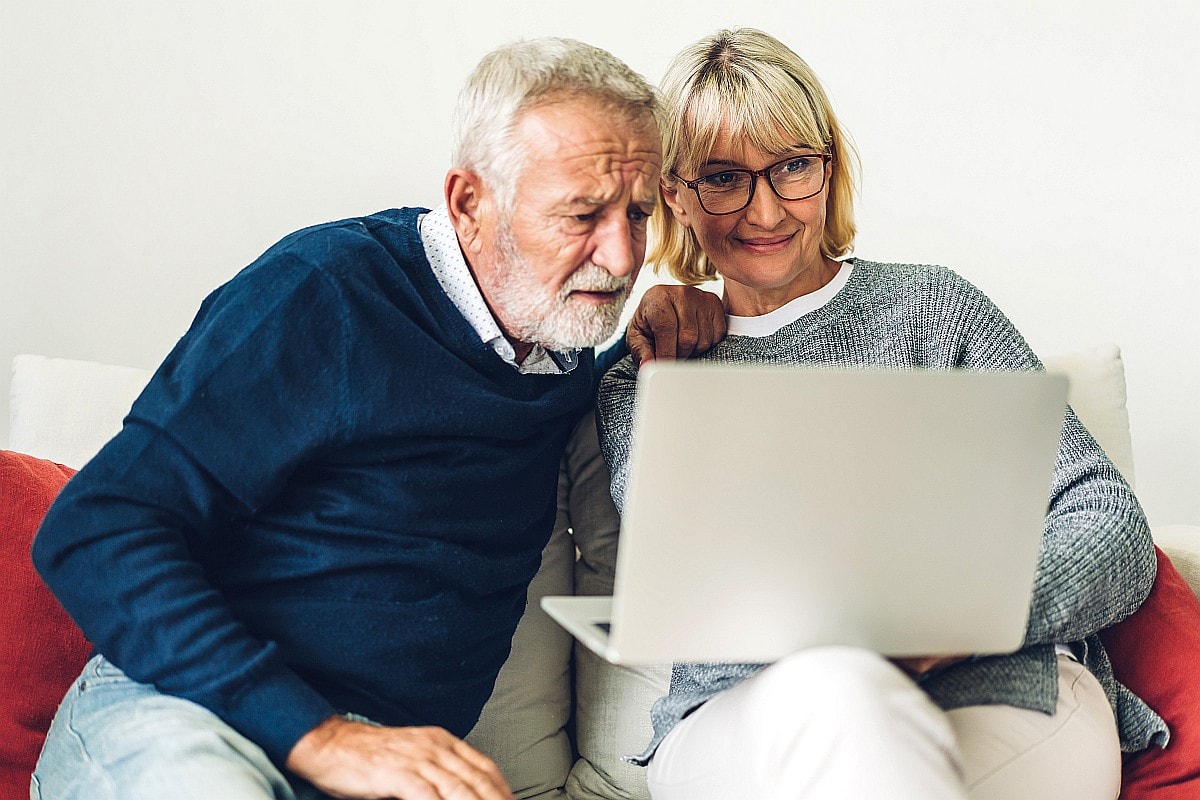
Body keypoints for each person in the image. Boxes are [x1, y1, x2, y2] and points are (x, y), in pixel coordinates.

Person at [30, 37, 724, 800]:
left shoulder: (559, 342)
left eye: (639, 213)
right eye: (581, 214)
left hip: (391, 768)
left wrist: (667, 314)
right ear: (469, 203)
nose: (623, 257)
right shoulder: (321, 294)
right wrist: (320, 736)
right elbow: (95, 528)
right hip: (187, 717)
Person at [597, 28, 1166, 800]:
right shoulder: (651, 371)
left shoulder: (935, 309)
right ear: (676, 193)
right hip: (742, 717)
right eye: (725, 178)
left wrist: (966, 617)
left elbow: (1111, 525)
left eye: (793, 166)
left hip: (996, 691)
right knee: (838, 693)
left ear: (828, 168)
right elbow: (685, 548)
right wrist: (653, 319)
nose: (765, 210)